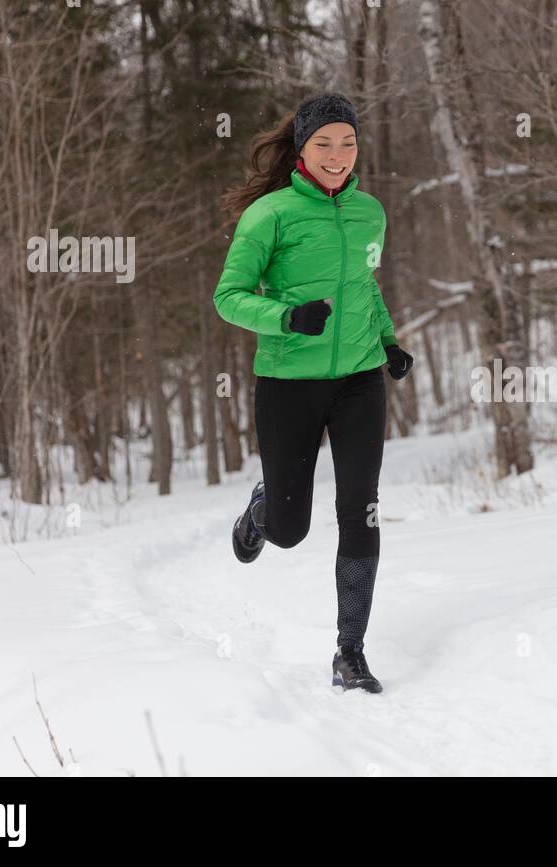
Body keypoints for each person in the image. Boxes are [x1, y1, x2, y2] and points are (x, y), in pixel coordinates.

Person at [213, 92, 414, 694]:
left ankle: (350, 654)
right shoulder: (269, 216)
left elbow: (365, 285)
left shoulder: (370, 213)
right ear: (302, 148)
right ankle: (265, 504)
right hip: (288, 384)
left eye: (348, 143)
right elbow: (229, 296)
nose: (337, 155)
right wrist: (285, 318)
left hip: (358, 380)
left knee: (361, 511)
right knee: (289, 529)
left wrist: (387, 340)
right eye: (324, 143)